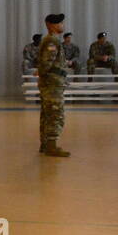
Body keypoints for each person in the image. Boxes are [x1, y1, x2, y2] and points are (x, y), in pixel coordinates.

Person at [36, 13, 70, 157]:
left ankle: (45, 144)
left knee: (47, 114)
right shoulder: (52, 41)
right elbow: (45, 65)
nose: (62, 25)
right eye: (59, 23)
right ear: (50, 25)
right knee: (55, 114)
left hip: (52, 83)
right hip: (52, 85)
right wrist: (54, 78)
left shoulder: (53, 40)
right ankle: (51, 146)